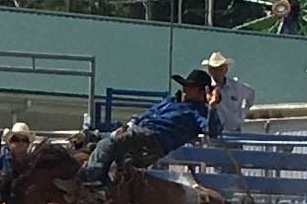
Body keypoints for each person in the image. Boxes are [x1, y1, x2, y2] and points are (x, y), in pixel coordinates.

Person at [79, 73, 221, 190]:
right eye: (184, 85)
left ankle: (88, 181)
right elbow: (146, 115)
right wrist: (129, 125)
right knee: (87, 138)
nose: (185, 89)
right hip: (138, 133)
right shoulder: (170, 101)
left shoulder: (200, 112)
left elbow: (213, 131)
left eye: (190, 87)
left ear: (203, 92)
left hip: (153, 142)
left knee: (106, 145)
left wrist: (212, 108)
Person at [202, 51, 257, 132]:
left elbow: (251, 93)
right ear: (210, 71)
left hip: (235, 131)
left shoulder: (236, 86)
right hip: (216, 132)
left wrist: (242, 114)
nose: (218, 71)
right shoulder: (206, 88)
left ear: (226, 69)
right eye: (215, 69)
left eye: (221, 68)